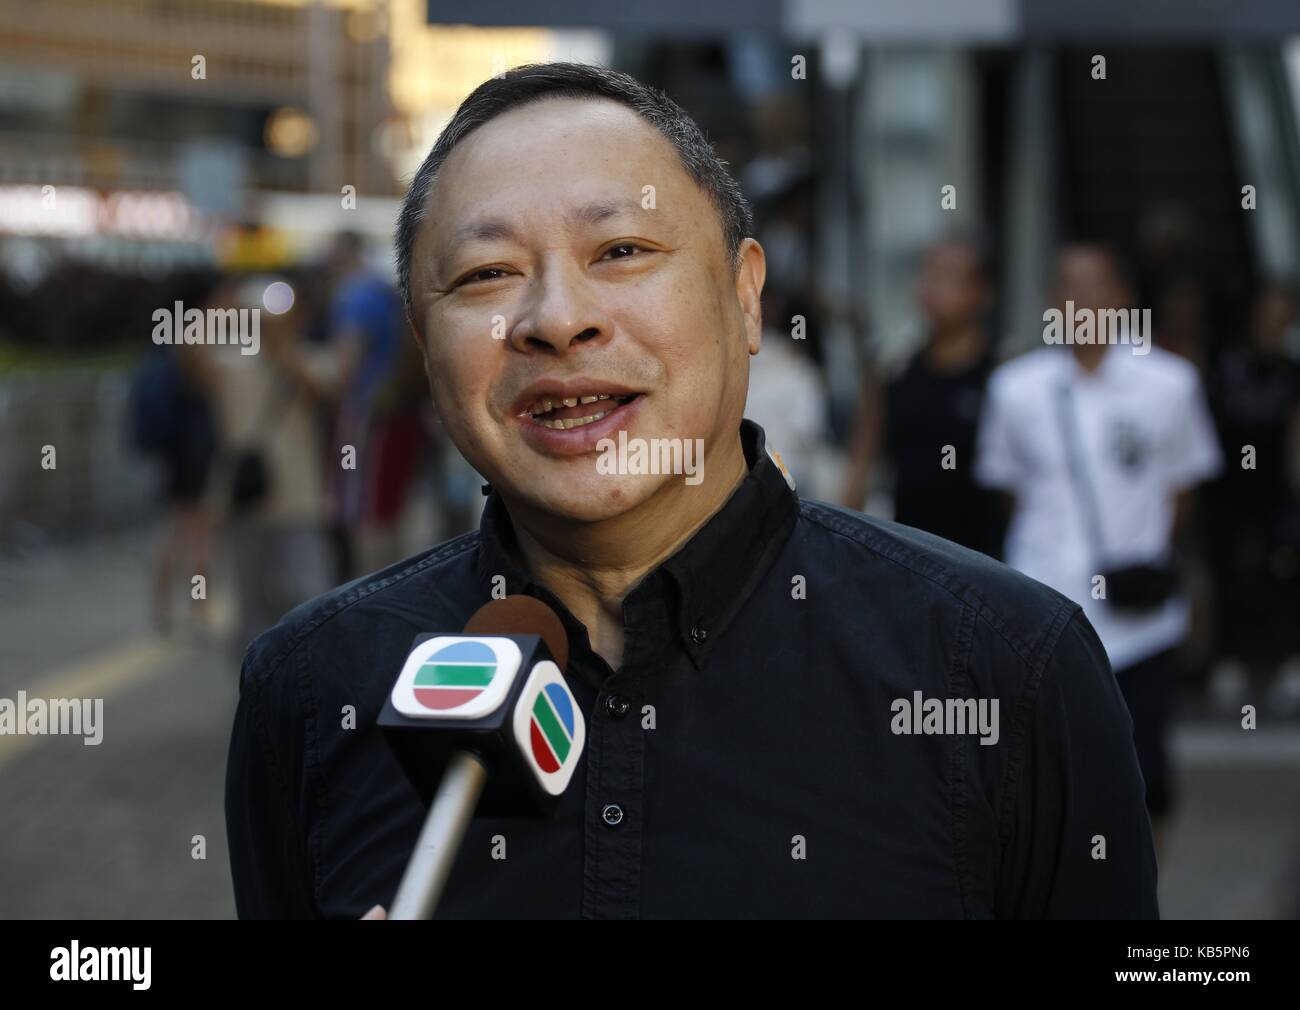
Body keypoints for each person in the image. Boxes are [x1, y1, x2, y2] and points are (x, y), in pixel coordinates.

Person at [225, 63, 1156, 919]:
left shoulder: (1008, 670)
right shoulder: (313, 689)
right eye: (487, 273)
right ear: (426, 350)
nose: (558, 319)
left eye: (622, 250)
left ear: (745, 297)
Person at [974, 244, 1223, 845]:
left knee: (1147, 778)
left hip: (1140, 621)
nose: (1079, 300)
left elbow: (1182, 491)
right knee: (1047, 774)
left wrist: (1141, 559)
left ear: (1122, 298)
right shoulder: (1016, 388)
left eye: (1095, 286)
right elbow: (1008, 492)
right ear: (1050, 300)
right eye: (1066, 286)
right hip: (1041, 612)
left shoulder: (1169, 383)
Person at [839, 234, 1004, 557]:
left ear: (981, 292)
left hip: (986, 559)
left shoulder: (1005, 373)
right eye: (929, 274)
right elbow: (863, 458)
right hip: (910, 552)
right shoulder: (895, 366)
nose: (933, 287)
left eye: (950, 277)